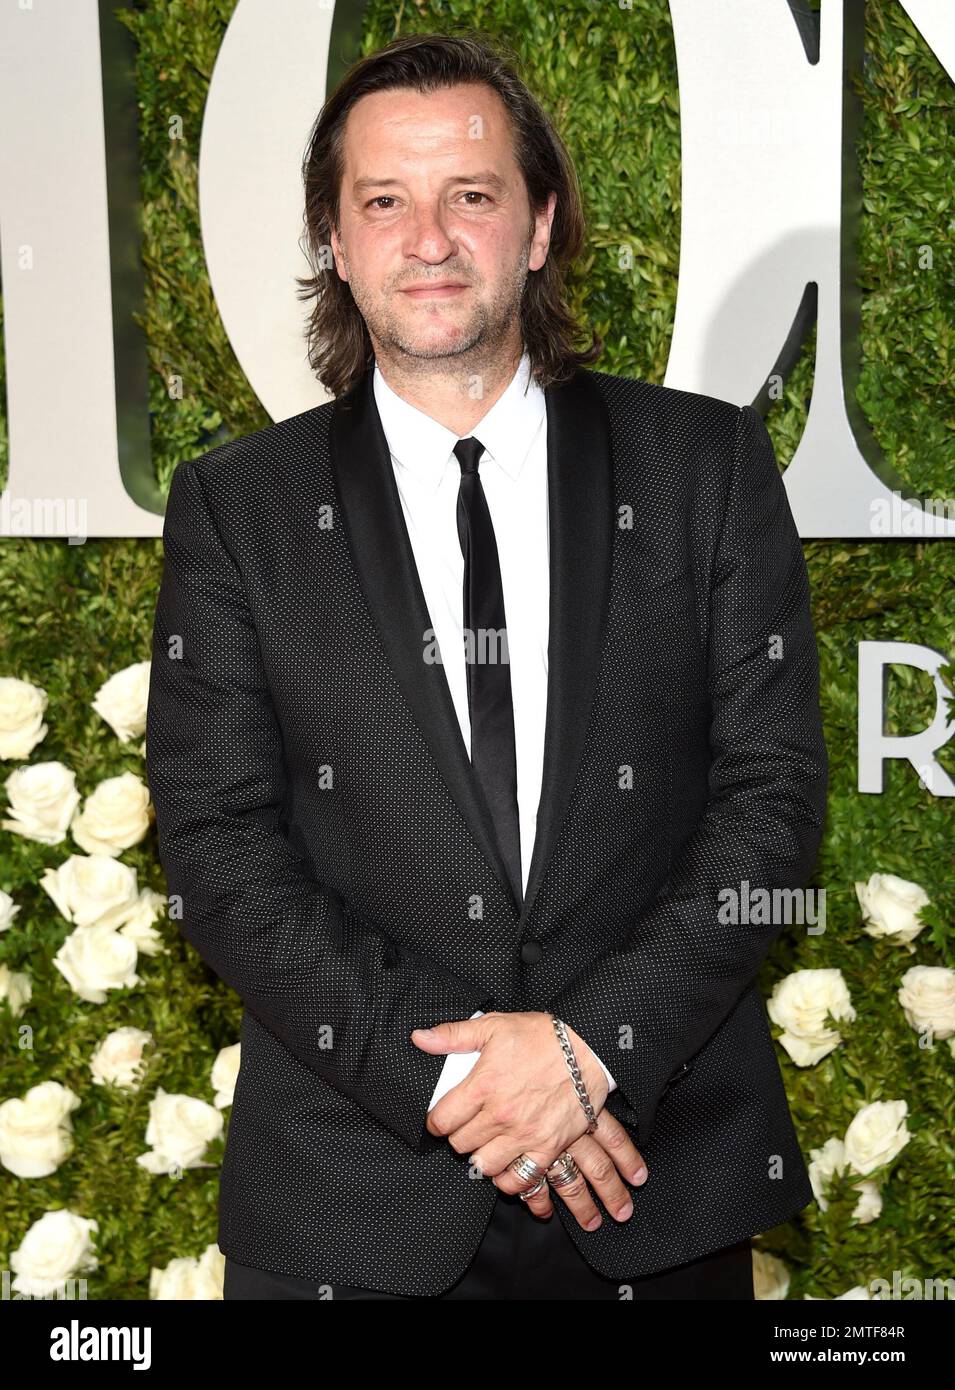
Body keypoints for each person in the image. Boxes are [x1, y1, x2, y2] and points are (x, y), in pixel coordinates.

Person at [145, 31, 828, 1301]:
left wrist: (589, 1051)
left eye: (471, 195)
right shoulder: (241, 508)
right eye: (382, 202)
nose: (430, 239)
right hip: (351, 1204)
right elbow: (217, 839)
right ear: (336, 245)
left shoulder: (703, 468)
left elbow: (773, 798)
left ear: (539, 225)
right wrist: (466, 1084)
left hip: (649, 1177)